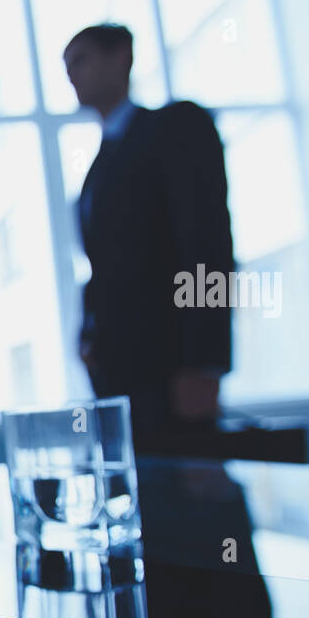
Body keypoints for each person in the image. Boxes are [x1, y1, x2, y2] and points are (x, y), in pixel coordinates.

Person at [64, 24, 234, 450]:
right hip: (116, 370)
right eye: (66, 66)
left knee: (194, 497)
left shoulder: (175, 128)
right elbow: (103, 265)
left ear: (122, 55)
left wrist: (206, 360)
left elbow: (208, 247)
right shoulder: (101, 164)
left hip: (173, 365)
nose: (71, 74)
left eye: (80, 59)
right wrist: (88, 333)